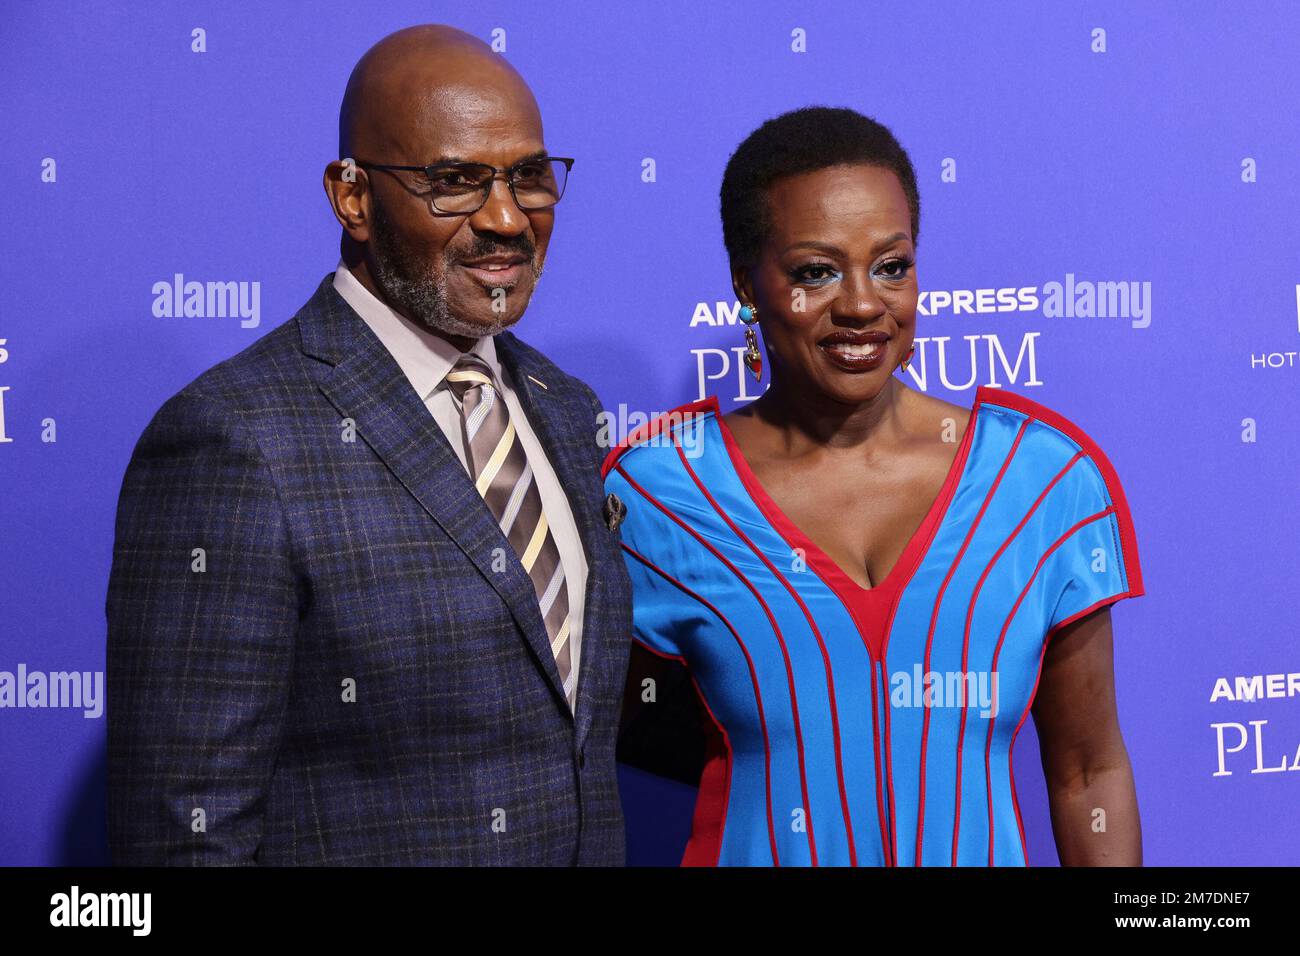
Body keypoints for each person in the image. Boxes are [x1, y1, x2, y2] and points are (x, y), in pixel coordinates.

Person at [106, 24, 632, 865]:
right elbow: (183, 833)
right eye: (454, 182)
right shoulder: (232, 438)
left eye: (530, 177)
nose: (507, 218)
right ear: (352, 196)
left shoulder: (563, 407)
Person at [604, 107, 1144, 866]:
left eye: (891, 265)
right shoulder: (660, 492)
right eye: (814, 272)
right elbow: (607, 744)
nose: (862, 305)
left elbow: (1089, 772)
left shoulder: (1043, 480)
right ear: (745, 285)